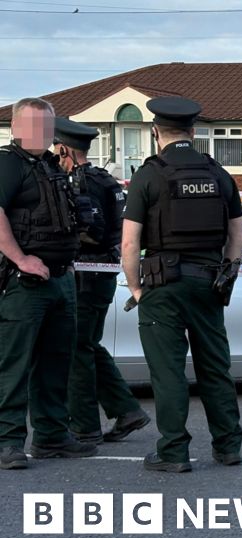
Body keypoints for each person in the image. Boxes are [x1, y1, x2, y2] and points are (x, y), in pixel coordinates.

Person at [122, 97, 242, 473]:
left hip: (162, 287)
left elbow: (130, 243)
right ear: (193, 132)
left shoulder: (149, 175)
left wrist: (136, 289)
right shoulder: (218, 173)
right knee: (215, 367)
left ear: (156, 132)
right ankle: (228, 447)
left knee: (168, 371)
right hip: (208, 282)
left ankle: (173, 452)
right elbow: (238, 230)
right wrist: (228, 271)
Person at [0, 98, 97, 470]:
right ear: (16, 127)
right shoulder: (8, 164)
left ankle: (52, 436)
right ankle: (7, 441)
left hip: (60, 278)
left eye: (46, 125)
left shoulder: (49, 165)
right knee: (14, 365)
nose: (41, 133)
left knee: (56, 362)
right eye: (34, 125)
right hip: (23, 284)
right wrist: (21, 259)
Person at [54, 118, 151, 446]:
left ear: (65, 149)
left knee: (77, 348)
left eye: (57, 149)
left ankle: (84, 426)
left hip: (86, 275)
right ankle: (126, 410)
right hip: (102, 274)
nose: (56, 154)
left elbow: (91, 231)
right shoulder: (105, 178)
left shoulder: (81, 181)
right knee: (89, 344)